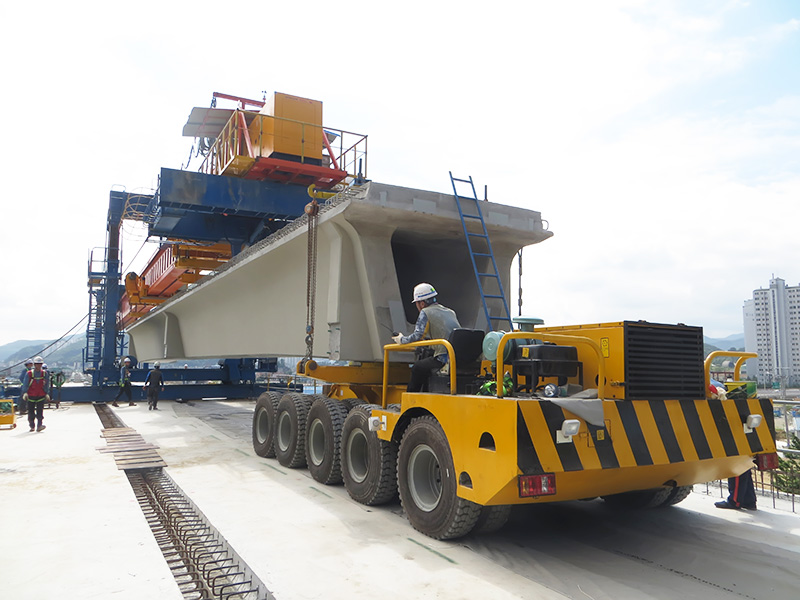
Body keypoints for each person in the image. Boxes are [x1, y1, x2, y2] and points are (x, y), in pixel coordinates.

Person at [392, 283, 461, 392]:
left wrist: (401, 340)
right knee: (425, 366)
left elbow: (418, 335)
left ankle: (411, 399)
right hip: (456, 355)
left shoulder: (425, 312)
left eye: (417, 303)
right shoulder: (450, 312)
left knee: (417, 368)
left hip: (443, 357)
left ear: (422, 303)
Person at [22, 356, 49, 432]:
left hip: (41, 395)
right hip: (31, 395)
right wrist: (25, 392)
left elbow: (46, 384)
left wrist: (47, 393)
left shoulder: (44, 373)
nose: (38, 366)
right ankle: (32, 426)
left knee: (40, 411)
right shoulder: (29, 374)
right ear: (34, 364)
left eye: (40, 364)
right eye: (37, 364)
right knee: (31, 411)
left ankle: (39, 425)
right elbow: (25, 383)